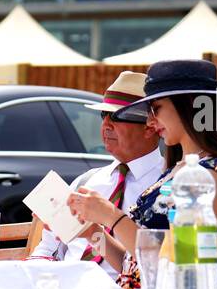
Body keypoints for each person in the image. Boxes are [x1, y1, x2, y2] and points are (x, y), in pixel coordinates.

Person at [67, 59, 217, 289]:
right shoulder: (180, 169)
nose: (150, 121)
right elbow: (134, 266)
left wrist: (110, 215)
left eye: (156, 108)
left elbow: (176, 261)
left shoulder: (208, 174)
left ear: (188, 108)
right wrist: (92, 232)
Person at [26, 71, 166, 274]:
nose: (106, 124)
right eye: (103, 114)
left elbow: (156, 268)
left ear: (150, 128)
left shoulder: (166, 188)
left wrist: (95, 230)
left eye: (117, 116)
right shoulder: (87, 181)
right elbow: (48, 250)